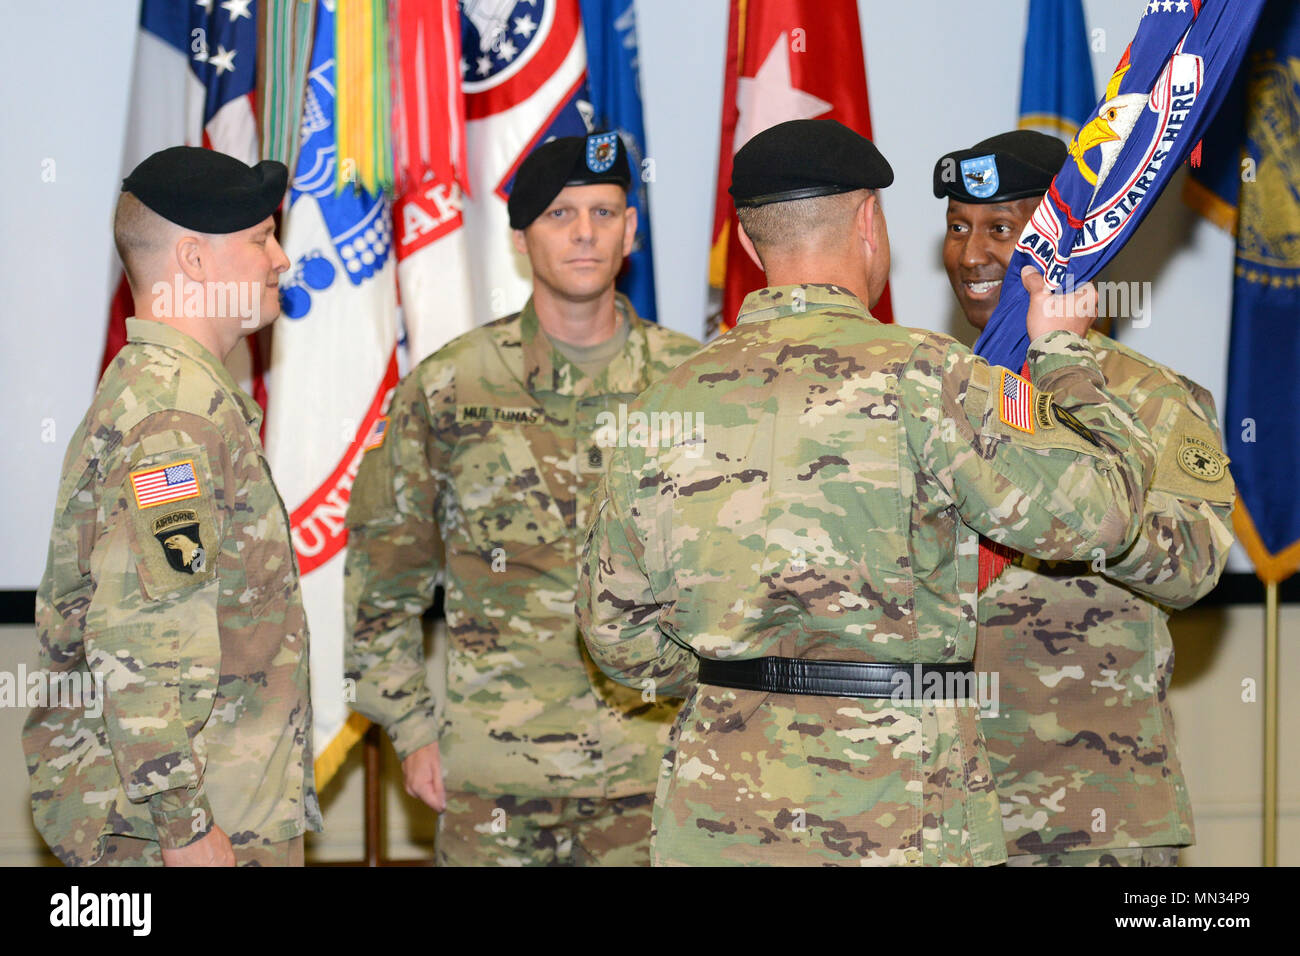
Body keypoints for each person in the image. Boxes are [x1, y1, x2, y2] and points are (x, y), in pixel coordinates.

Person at [578, 118, 1160, 866]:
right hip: (901, 805)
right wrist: (1063, 353)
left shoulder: (663, 401)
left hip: (720, 808)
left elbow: (611, 630)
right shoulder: (933, 376)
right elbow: (1108, 511)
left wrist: (736, 684)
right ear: (868, 222)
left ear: (751, 246)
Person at [344, 132, 700, 866]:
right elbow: (382, 583)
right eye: (560, 215)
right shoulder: (451, 387)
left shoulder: (694, 383)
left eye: (604, 213)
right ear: (520, 236)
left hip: (655, 776)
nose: (583, 233)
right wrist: (411, 732)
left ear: (631, 230)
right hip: (494, 781)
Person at [935, 130, 1235, 866]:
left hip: (1095, 810)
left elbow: (1193, 567)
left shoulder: (1146, 396)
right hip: (940, 816)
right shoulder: (927, 389)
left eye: (1001, 230)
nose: (972, 255)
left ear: (1061, 242)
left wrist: (1085, 492)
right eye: (957, 228)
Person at [23, 146, 320, 867]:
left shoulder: (176, 396)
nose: (280, 260)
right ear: (192, 261)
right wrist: (183, 827)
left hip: (208, 811)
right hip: (187, 832)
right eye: (259, 239)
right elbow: (147, 639)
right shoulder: (174, 416)